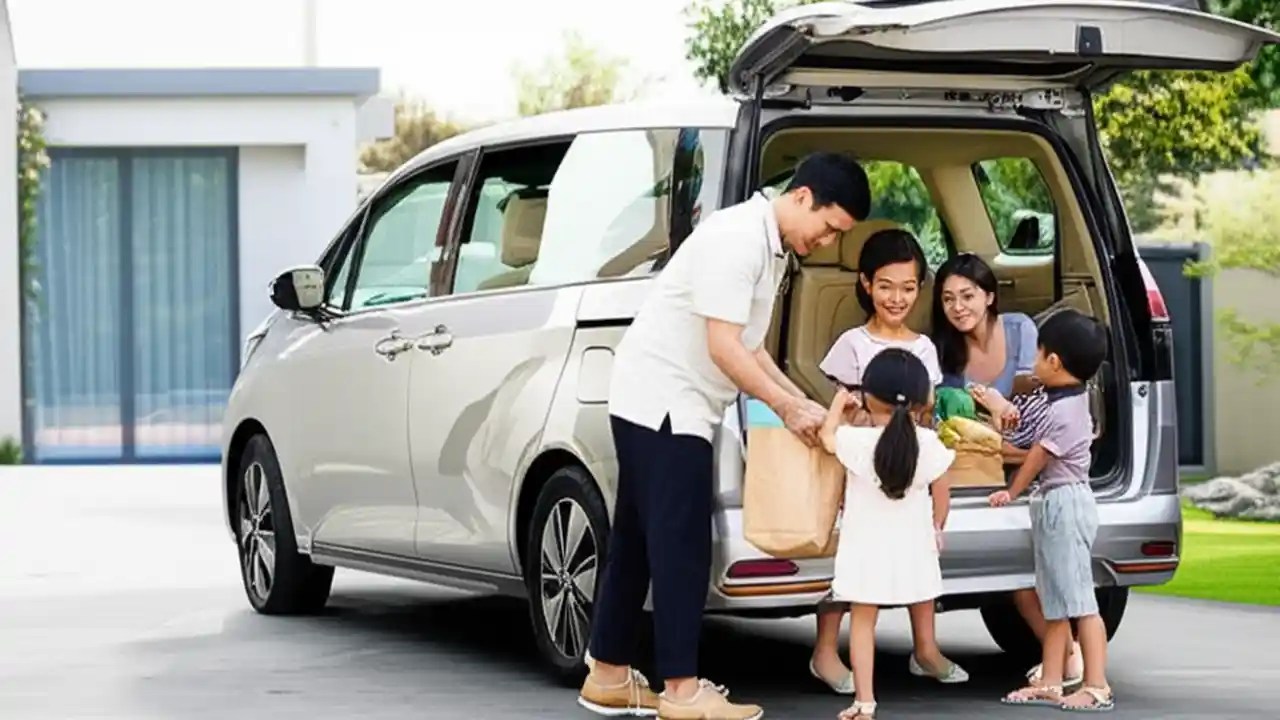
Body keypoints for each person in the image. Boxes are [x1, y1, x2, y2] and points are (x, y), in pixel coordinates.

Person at [578, 152, 871, 720]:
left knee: (637, 540)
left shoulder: (771, 245)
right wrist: (785, 409)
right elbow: (723, 348)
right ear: (803, 197)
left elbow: (751, 346)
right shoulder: (738, 239)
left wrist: (801, 402)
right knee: (681, 548)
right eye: (829, 227)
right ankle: (683, 692)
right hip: (667, 403)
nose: (828, 241)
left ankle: (608, 675)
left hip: (662, 400)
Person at [809, 229, 968, 693]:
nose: (897, 298)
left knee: (917, 557)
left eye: (908, 287)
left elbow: (927, 413)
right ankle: (825, 650)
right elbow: (838, 408)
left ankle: (926, 647)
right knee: (850, 565)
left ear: (920, 288)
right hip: (858, 472)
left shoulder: (925, 348)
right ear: (865, 283)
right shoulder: (852, 344)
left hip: (907, 469)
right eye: (885, 286)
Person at [933, 254, 1084, 689]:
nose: (958, 307)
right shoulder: (943, 353)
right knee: (1020, 573)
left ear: (989, 296)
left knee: (1041, 564)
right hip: (987, 464)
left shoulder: (1020, 329)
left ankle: (1069, 655)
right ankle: (1067, 654)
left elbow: (1037, 398)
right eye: (948, 299)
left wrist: (1002, 411)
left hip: (1035, 448)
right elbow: (955, 423)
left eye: (967, 296)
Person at [987, 308, 1114, 712]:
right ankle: (1051, 681)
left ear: (1054, 361)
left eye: (1038, 354)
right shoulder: (1064, 397)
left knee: (1081, 603)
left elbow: (1037, 457)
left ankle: (1097, 685)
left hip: (1066, 503)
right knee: (1056, 602)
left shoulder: (1065, 411)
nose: (1033, 363)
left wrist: (1011, 492)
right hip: (1053, 502)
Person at [819, 348, 957, 720]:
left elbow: (826, 437)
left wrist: (838, 404)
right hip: (912, 550)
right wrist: (937, 527)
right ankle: (924, 653)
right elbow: (942, 491)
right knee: (901, 606)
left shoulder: (856, 441)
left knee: (863, 624)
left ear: (867, 395)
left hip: (866, 552)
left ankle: (864, 701)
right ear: (921, 399)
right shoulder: (928, 443)